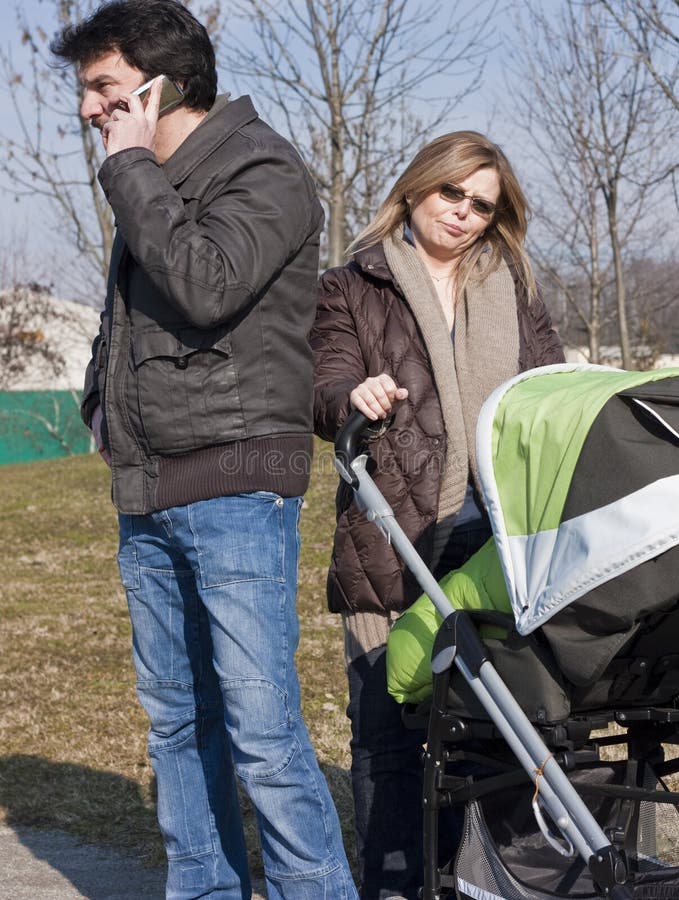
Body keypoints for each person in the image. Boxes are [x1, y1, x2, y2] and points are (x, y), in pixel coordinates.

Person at [51, 2, 358, 898]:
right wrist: (101, 404)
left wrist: (130, 168)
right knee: (178, 727)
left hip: (235, 490)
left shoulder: (263, 168)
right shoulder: (153, 179)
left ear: (163, 85)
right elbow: (128, 318)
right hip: (148, 491)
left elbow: (204, 285)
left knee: (262, 734)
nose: (87, 109)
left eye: (103, 88)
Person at [310, 131, 565, 900]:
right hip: (390, 534)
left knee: (493, 729)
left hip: (497, 536)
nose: (461, 212)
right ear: (418, 186)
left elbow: (547, 390)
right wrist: (352, 397)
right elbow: (322, 387)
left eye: (480, 205)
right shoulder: (352, 285)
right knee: (386, 731)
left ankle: (484, 882)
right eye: (451, 192)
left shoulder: (512, 286)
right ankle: (395, 885)